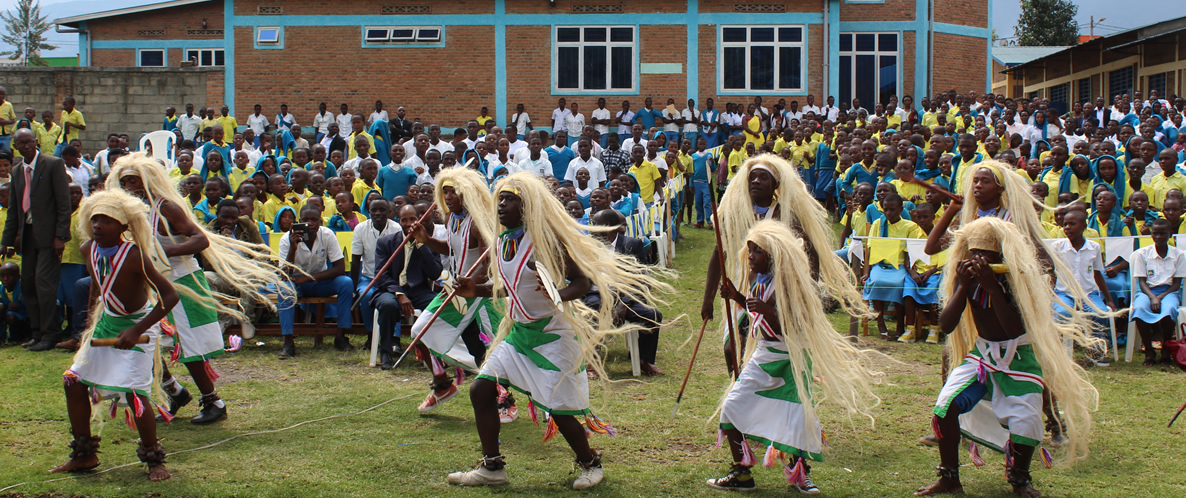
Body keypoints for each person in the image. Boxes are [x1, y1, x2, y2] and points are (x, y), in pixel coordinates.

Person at [446, 173, 671, 490]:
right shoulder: (502, 242)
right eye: (500, 198)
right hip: (519, 335)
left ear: (526, 206)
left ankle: (591, 463)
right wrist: (475, 289)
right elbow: (509, 289)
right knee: (480, 390)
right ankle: (492, 467)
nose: (501, 204)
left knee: (561, 411)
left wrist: (558, 295)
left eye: (509, 199)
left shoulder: (545, 241)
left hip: (554, 335)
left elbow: (582, 283)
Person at [915, 217, 1099, 498]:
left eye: (985, 254)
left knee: (1026, 421)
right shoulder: (967, 278)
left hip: (1019, 358)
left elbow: (1014, 329)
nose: (977, 259)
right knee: (944, 408)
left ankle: (1020, 479)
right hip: (982, 356)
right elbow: (947, 325)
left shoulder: (1018, 280)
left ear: (999, 255)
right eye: (973, 253)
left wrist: (992, 287)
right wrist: (963, 287)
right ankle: (949, 476)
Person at [707, 220, 882, 494]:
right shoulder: (760, 281)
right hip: (764, 356)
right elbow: (759, 314)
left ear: (773, 256)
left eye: (757, 252)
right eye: (749, 249)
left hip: (792, 359)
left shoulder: (792, 285)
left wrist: (765, 310)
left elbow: (793, 327)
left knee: (797, 418)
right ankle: (741, 473)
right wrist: (738, 297)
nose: (750, 256)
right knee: (732, 407)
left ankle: (800, 473)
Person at [111, 154, 284, 424]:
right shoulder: (133, 212)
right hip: (154, 285)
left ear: (146, 180)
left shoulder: (167, 208)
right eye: (125, 182)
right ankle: (174, 391)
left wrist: (167, 249)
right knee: (147, 342)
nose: (130, 187)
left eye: (134, 180)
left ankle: (214, 401)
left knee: (189, 348)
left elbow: (200, 239)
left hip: (183, 282)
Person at [53, 189, 179, 481]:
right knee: (72, 382)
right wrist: (87, 326)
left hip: (139, 324)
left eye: (107, 220)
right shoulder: (88, 250)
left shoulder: (135, 256)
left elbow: (169, 296)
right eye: (95, 219)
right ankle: (84, 454)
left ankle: (154, 459)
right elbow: (98, 289)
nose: (98, 225)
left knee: (135, 394)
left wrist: (136, 330)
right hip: (107, 324)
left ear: (123, 226)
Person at [702, 155, 865, 374]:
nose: (756, 182)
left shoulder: (784, 215)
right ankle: (739, 391)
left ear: (775, 185)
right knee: (732, 350)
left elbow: (810, 251)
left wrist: (809, 287)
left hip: (773, 289)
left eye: (763, 178)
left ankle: (757, 393)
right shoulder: (737, 214)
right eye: (753, 177)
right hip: (741, 286)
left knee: (764, 346)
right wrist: (707, 299)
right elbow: (718, 254)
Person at [405, 168, 505, 413]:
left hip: (473, 293)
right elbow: (449, 248)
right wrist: (425, 239)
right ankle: (442, 384)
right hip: (454, 288)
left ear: (466, 193)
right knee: (425, 332)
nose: (448, 197)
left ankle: (504, 400)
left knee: (484, 347)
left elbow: (489, 263)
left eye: (453, 192)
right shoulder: (450, 218)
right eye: (445, 191)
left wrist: (470, 283)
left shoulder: (478, 222)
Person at [2, 128, 72, 351]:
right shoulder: (16, 171)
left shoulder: (52, 164)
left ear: (35, 142)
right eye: (21, 143)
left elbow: (63, 203)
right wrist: (5, 241)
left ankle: (51, 334)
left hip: (50, 236)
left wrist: (60, 236)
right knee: (29, 285)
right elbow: (14, 210)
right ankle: (36, 333)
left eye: (29, 142)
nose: (26, 146)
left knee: (45, 285)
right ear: (15, 146)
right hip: (28, 236)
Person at [586, 209, 665, 375]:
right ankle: (592, 362)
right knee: (591, 311)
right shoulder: (587, 245)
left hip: (623, 296)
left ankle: (645, 361)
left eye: (595, 225)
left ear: (607, 226)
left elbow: (641, 280)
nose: (592, 229)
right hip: (596, 295)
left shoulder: (631, 244)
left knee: (652, 315)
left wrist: (624, 304)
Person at [276, 206, 356, 358]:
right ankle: (288, 343)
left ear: (320, 221)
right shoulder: (286, 239)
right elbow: (284, 275)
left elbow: (339, 268)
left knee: (346, 282)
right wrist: (293, 249)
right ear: (298, 222)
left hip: (319, 282)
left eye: (314, 220)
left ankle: (341, 336)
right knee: (285, 288)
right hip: (295, 284)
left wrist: (308, 278)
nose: (310, 223)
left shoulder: (327, 235)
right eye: (305, 220)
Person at [371, 204, 443, 369]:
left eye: (413, 219)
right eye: (404, 219)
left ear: (419, 221)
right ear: (398, 221)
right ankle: (386, 352)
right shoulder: (385, 242)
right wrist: (398, 293)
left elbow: (434, 273)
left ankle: (432, 353)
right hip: (390, 291)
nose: (408, 223)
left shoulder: (429, 243)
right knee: (388, 305)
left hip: (418, 291)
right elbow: (381, 275)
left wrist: (421, 244)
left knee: (438, 305)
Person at [1050, 209, 1115, 366]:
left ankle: (1095, 351)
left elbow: (1098, 274)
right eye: (1065, 224)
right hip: (1064, 293)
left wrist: (1110, 299)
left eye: (1072, 224)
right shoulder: (1057, 247)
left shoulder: (1094, 247)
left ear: (1084, 225)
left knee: (1101, 312)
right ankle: (1061, 354)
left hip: (1088, 293)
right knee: (1063, 313)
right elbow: (1050, 273)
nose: (1067, 228)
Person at [1129, 218, 1186, 367]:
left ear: (1170, 234)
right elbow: (1141, 282)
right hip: (1147, 291)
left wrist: (1159, 297)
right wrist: (1152, 297)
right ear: (1151, 235)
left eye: (1163, 233)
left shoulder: (1179, 255)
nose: (1159, 237)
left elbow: (1176, 284)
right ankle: (1149, 350)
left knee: (1169, 309)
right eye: (1156, 233)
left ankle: (1166, 349)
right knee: (1139, 308)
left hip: (1169, 292)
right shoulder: (1142, 253)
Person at [350, 197, 399, 349]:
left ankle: (394, 339)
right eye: (374, 210)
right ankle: (371, 336)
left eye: (382, 210)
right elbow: (356, 259)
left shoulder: (396, 229)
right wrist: (354, 288)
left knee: (393, 300)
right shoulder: (360, 228)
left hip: (391, 279)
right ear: (368, 212)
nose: (378, 213)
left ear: (389, 212)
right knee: (366, 296)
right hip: (368, 277)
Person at [0, 262, 30, 344]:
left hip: (29, 319)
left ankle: (29, 335)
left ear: (18, 277)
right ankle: (2, 338)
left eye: (10, 275)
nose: (5, 279)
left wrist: (19, 307)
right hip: (14, 316)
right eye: (2, 276)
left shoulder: (24, 288)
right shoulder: (2, 289)